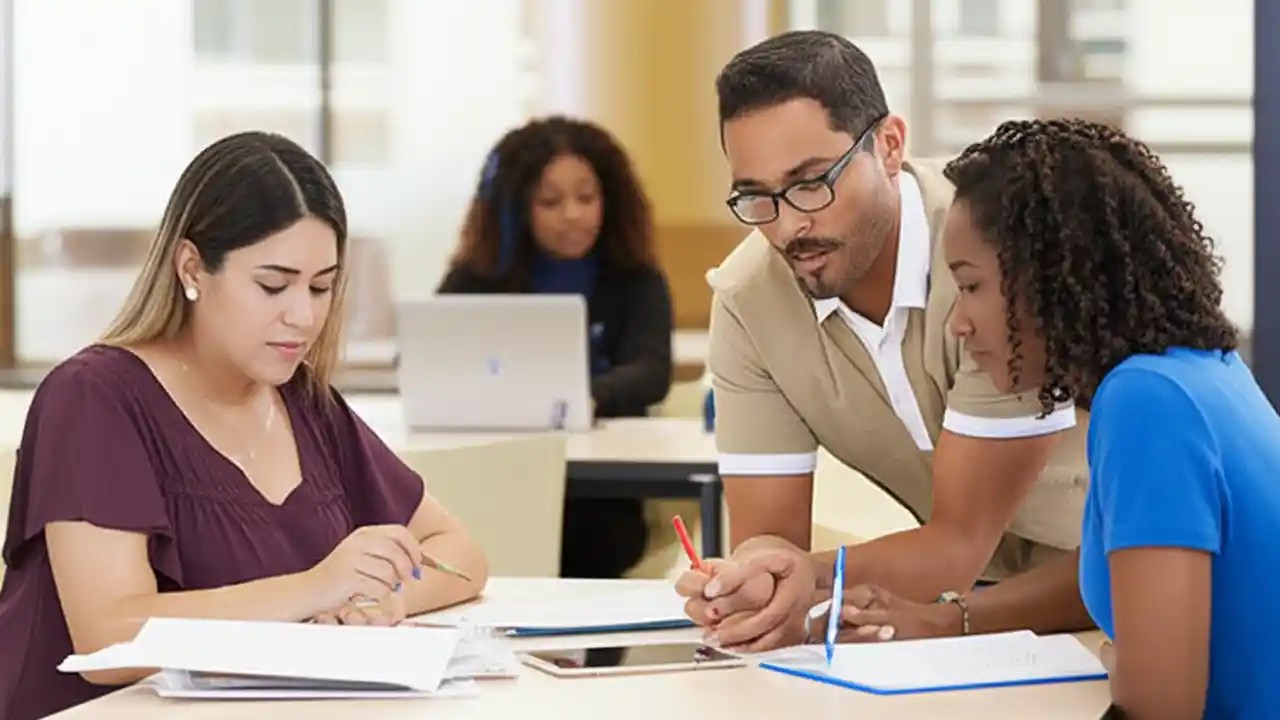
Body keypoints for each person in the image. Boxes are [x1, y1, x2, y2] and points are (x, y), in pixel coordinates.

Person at [0, 131, 489, 720]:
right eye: (272, 285)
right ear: (191, 268)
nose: (303, 316)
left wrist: (378, 601)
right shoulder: (93, 399)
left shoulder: (305, 402)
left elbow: (459, 554)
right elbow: (108, 637)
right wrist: (315, 590)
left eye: (322, 286)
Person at [838, 118, 1280, 719]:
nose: (957, 323)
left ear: (1050, 278)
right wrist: (945, 620)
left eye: (971, 287)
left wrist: (1133, 670)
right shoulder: (1202, 372)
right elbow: (1125, 570)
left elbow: (1157, 708)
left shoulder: (1146, 403)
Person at [674, 29, 1094, 652]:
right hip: (974, 616)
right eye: (757, 197)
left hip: (1132, 585)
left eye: (813, 181)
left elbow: (956, 543)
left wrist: (806, 577)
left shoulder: (997, 258)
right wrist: (752, 580)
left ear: (890, 146)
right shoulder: (747, 298)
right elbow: (769, 540)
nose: (789, 226)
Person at [438, 116, 673, 580]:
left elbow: (651, 371)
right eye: (550, 201)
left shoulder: (635, 279)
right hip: (500, 475)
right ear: (514, 209)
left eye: (587, 198)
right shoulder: (478, 279)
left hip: (600, 495)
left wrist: (585, 397)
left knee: (595, 539)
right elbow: (429, 357)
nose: (573, 214)